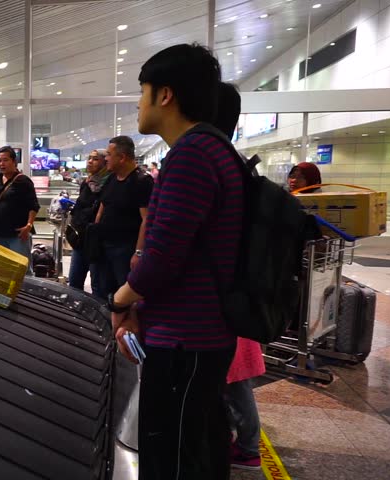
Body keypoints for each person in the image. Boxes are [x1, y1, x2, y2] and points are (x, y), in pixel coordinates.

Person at [109, 44, 243, 480]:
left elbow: (164, 257)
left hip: (187, 341)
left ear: (165, 95)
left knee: (174, 457)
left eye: (142, 90)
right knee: (198, 447)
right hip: (199, 335)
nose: (138, 103)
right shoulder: (213, 149)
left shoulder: (192, 154)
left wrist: (120, 300)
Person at [214, 81, 265, 471]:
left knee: (236, 380)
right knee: (233, 380)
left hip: (228, 301)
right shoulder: (237, 168)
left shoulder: (219, 166)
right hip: (238, 296)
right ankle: (241, 440)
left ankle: (247, 446)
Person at [95, 136, 153, 297]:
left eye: (109, 154)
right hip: (105, 246)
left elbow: (147, 219)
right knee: (103, 290)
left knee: (123, 294)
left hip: (125, 249)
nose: (106, 158)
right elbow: (103, 207)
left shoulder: (142, 181)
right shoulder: (112, 178)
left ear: (121, 157)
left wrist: (139, 252)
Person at [0, 145, 40, 264]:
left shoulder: (23, 181)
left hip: (18, 235)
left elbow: (34, 206)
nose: (1, 164)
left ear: (14, 162)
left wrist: (29, 225)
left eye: (5, 160)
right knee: (1, 267)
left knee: (22, 268)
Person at [67, 150, 109, 296]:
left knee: (98, 284)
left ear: (105, 162)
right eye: (89, 158)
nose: (90, 161)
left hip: (96, 241)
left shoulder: (109, 184)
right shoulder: (87, 183)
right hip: (81, 239)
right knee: (74, 282)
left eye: (95, 159)